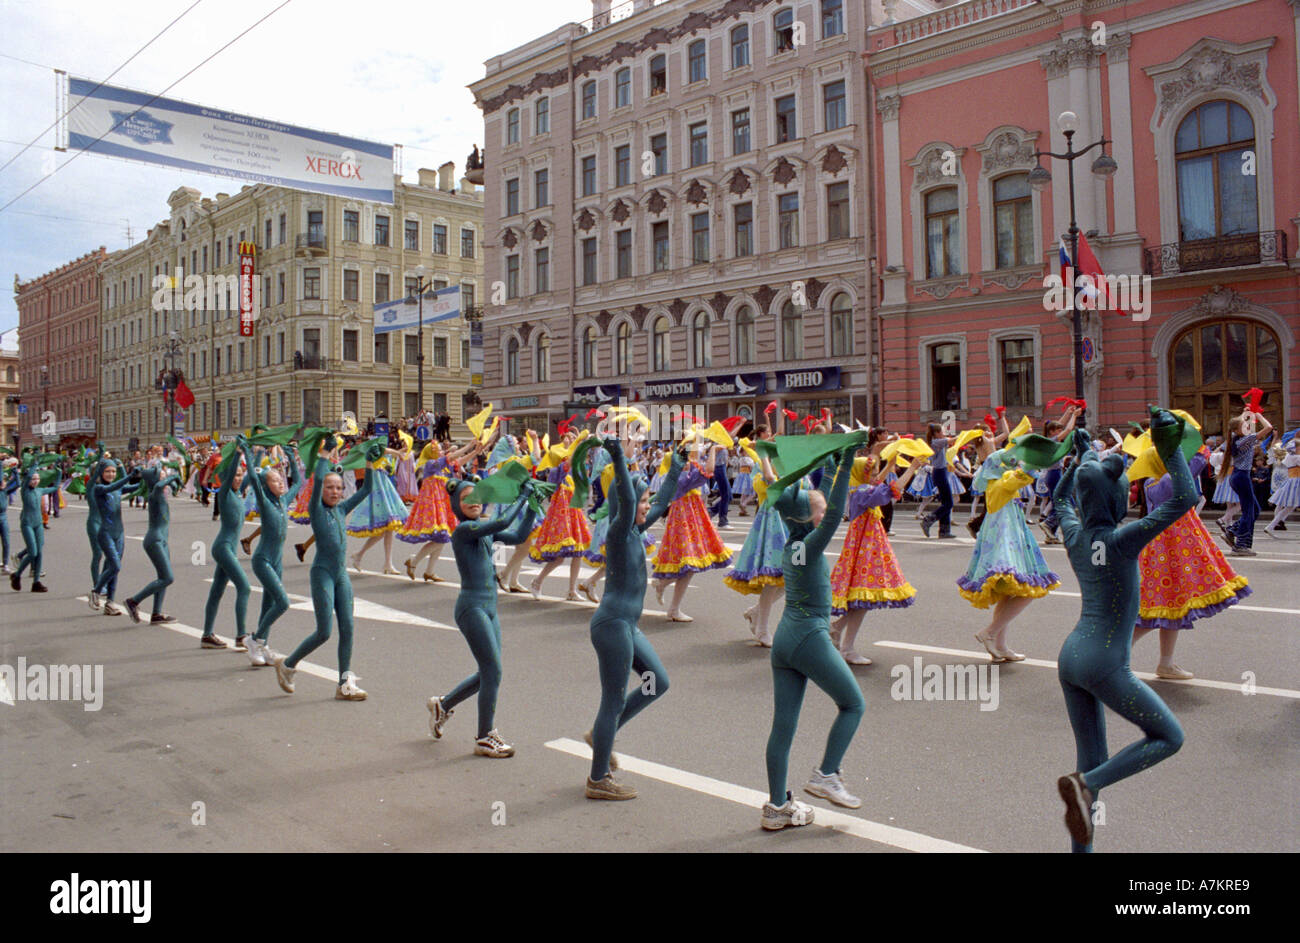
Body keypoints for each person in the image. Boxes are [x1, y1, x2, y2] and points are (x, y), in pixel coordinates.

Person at [1054, 411, 1197, 852]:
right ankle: (1086, 785)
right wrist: (1169, 448)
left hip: (1070, 657)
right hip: (1104, 662)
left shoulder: (1075, 535)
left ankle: (1084, 799)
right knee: (1169, 737)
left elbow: (1061, 501)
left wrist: (1079, 457)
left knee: (1089, 765)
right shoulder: (1123, 540)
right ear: (1118, 500)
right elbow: (1186, 497)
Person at [762, 443, 865, 830]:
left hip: (786, 640)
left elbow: (817, 502)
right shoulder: (810, 542)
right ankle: (826, 774)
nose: (824, 514)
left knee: (783, 728)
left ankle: (776, 808)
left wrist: (832, 458)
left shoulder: (795, 536)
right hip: (808, 635)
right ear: (809, 519)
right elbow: (835, 511)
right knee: (853, 705)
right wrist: (850, 460)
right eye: (817, 511)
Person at [585, 439, 685, 799]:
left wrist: (676, 466)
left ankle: (602, 735)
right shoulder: (617, 529)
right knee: (610, 701)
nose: (645, 506)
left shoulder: (635, 531)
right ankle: (598, 779)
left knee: (656, 682)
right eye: (640, 501)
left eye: (645, 501)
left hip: (626, 626)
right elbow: (628, 500)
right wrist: (617, 457)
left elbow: (661, 501)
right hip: (611, 626)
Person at [427, 479, 539, 757]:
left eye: (477, 496)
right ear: (457, 506)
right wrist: (522, 497)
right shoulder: (465, 530)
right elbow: (501, 525)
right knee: (493, 671)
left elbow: (518, 535)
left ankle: (444, 704)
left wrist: (533, 506)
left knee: (490, 672)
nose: (474, 501)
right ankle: (484, 737)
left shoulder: (485, 529)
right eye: (466, 498)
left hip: (490, 607)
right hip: (472, 608)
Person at [1133, 445, 1249, 679]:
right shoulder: (1158, 483)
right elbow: (1183, 475)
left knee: (1174, 607)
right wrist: (1198, 453)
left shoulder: (1163, 480)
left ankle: (1166, 663)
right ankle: (1114, 654)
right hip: (1165, 552)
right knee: (1155, 609)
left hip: (1176, 550)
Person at [273, 442, 378, 700]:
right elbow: (317, 480)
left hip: (341, 576)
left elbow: (367, 488)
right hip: (322, 574)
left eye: (339, 488)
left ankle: (344, 684)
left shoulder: (342, 509)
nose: (334, 491)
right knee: (324, 632)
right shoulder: (316, 510)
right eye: (330, 487)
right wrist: (323, 456)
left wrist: (370, 463)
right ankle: (288, 664)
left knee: (349, 627)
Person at [958, 448, 1060, 662]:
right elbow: (1020, 477)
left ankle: (1000, 645)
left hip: (1004, 546)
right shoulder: (1001, 483)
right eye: (1010, 463)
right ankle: (989, 632)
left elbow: (1018, 476)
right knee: (1030, 590)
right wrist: (1034, 460)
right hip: (1006, 548)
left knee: (1009, 593)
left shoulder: (995, 483)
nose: (1014, 465)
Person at [830, 455, 925, 664]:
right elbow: (888, 491)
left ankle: (839, 633)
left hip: (867, 547)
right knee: (864, 597)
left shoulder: (858, 489)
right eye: (871, 474)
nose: (875, 477)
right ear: (860, 474)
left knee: (862, 599)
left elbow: (877, 484)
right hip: (865, 549)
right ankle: (845, 644)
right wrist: (912, 468)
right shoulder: (862, 492)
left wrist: (889, 465)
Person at [239, 440, 302, 666]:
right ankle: (253, 640)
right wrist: (251, 452)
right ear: (267, 486)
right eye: (275, 480)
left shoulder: (284, 501)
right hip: (262, 560)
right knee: (282, 602)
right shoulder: (265, 501)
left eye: (280, 479)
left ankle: (262, 642)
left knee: (268, 604)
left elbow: (299, 480)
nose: (281, 483)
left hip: (277, 562)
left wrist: (291, 456)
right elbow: (255, 480)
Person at [201, 446, 253, 650]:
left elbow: (252, 474)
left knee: (216, 592)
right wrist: (238, 453)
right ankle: (241, 635)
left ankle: (207, 635)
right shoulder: (223, 493)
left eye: (241, 475)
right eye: (236, 475)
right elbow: (231, 472)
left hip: (228, 548)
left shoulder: (237, 493)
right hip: (223, 547)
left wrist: (253, 453)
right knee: (245, 587)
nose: (239, 478)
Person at [122, 464, 181, 625]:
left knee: (162, 578)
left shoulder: (160, 492)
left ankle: (157, 614)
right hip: (154, 541)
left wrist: (175, 482)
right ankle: (133, 601)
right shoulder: (155, 492)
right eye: (162, 475)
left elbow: (166, 486)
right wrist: (173, 477)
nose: (164, 476)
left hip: (161, 540)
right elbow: (160, 484)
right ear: (155, 479)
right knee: (168, 578)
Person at [1217, 408, 1272, 556]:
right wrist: (1259, 414)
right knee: (1249, 511)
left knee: (1255, 509)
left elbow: (1237, 424)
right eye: (1244, 425)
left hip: (1239, 477)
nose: (1247, 426)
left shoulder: (1235, 437)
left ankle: (1233, 531)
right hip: (1242, 477)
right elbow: (1268, 428)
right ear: (1238, 429)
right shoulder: (1244, 440)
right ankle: (1241, 544)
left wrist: (1247, 413)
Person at [11, 463, 65, 594]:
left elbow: (55, 488)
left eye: (37, 479)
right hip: (27, 523)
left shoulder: (39, 490)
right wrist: (34, 465)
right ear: (27, 480)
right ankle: (17, 575)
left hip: (38, 523)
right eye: (32, 479)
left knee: (39, 551)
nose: (35, 481)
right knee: (33, 552)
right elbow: (28, 476)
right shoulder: (24, 490)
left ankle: (36, 582)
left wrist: (58, 472)